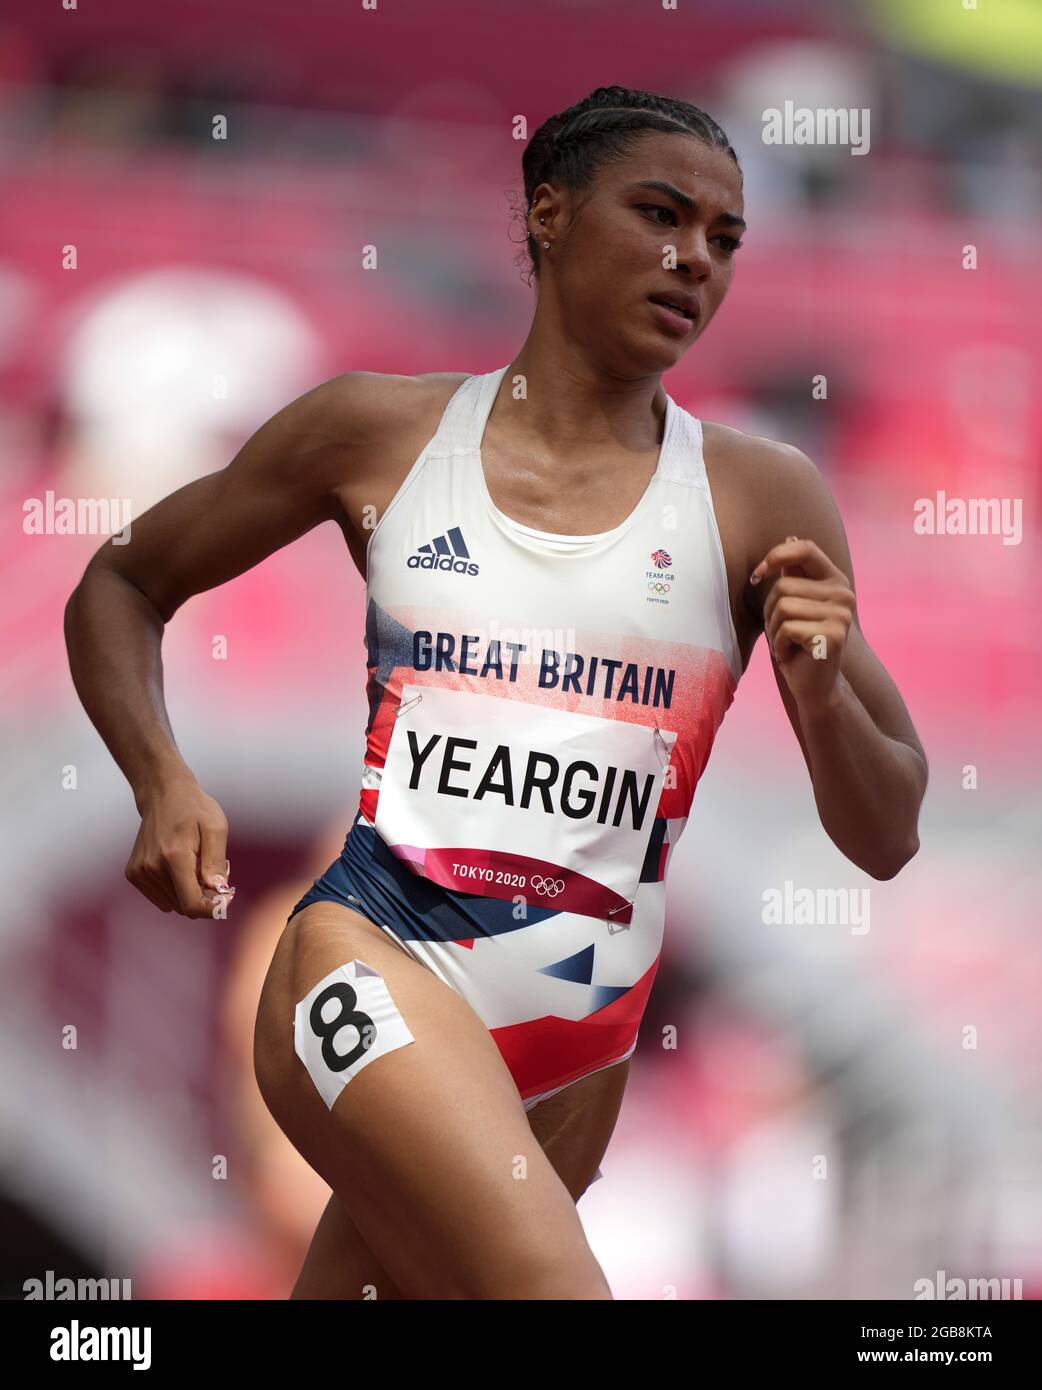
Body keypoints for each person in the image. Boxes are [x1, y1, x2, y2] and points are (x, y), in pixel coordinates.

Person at [63, 86, 927, 1300]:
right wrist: (159, 778)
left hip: (581, 1030)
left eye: (725, 238)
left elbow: (886, 833)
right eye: (660, 214)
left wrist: (823, 684)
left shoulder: (761, 497)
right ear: (550, 214)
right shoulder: (376, 434)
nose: (695, 260)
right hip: (375, 957)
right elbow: (120, 583)